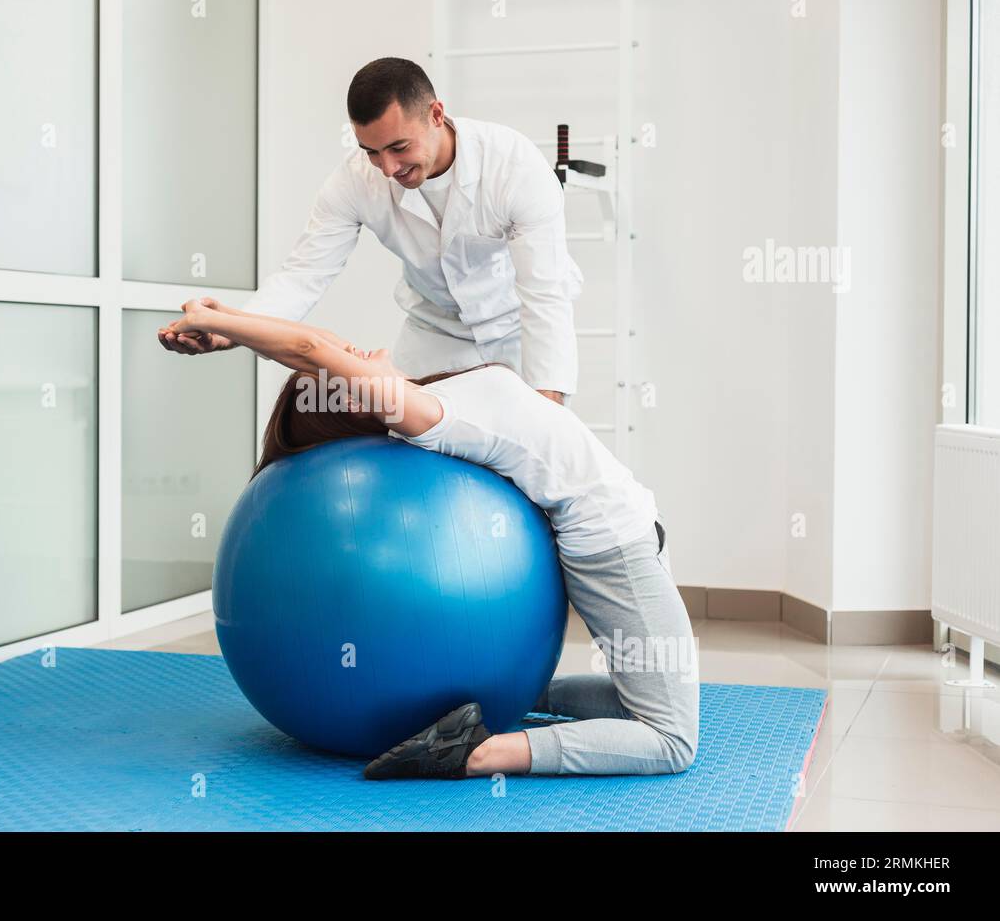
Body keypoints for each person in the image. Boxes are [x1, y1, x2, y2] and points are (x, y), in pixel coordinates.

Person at [157, 298, 700, 780]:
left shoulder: (432, 397)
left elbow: (311, 347)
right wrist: (220, 324)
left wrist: (236, 324)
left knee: (643, 705)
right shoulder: (425, 416)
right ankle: (483, 754)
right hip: (615, 548)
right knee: (670, 739)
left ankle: (512, 700)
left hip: (623, 537)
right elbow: (308, 348)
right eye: (346, 365)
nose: (355, 349)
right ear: (350, 399)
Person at [158, 56, 584, 407]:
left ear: (436, 114)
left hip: (516, 331)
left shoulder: (513, 165)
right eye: (371, 152)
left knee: (536, 465)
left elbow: (545, 295)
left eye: (399, 147)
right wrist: (228, 330)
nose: (388, 168)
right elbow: (302, 277)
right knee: (406, 448)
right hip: (433, 333)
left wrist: (548, 410)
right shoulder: (356, 181)